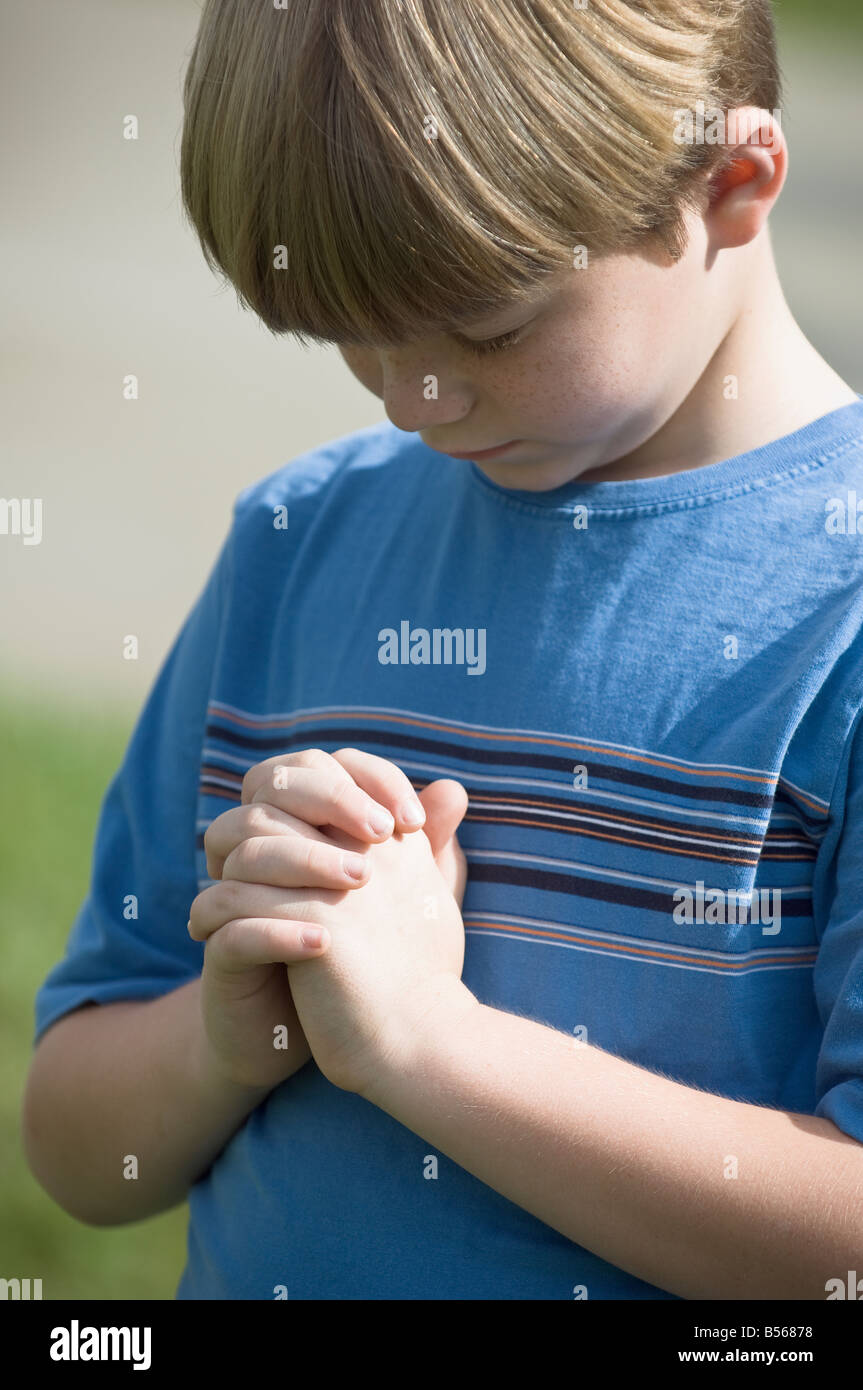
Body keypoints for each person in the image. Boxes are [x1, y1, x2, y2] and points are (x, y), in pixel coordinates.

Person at [23, 0, 863, 1299]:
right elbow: (81, 1155)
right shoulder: (298, 544)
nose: (413, 403)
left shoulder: (840, 614)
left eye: (488, 328)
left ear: (732, 184)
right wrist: (223, 1038)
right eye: (353, 333)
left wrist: (427, 1046)